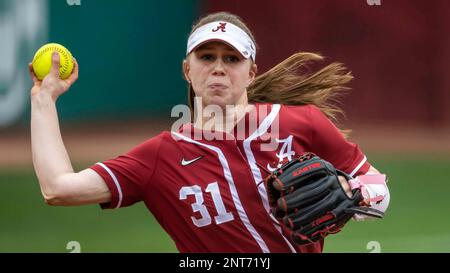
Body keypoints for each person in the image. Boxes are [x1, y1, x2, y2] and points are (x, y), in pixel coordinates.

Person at [29, 12, 390, 253]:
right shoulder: (161, 157)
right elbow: (58, 188)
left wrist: (352, 193)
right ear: (188, 69)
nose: (218, 68)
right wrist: (44, 100)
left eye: (231, 59)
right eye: (207, 57)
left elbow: (377, 187)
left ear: (250, 73)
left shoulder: (302, 123)